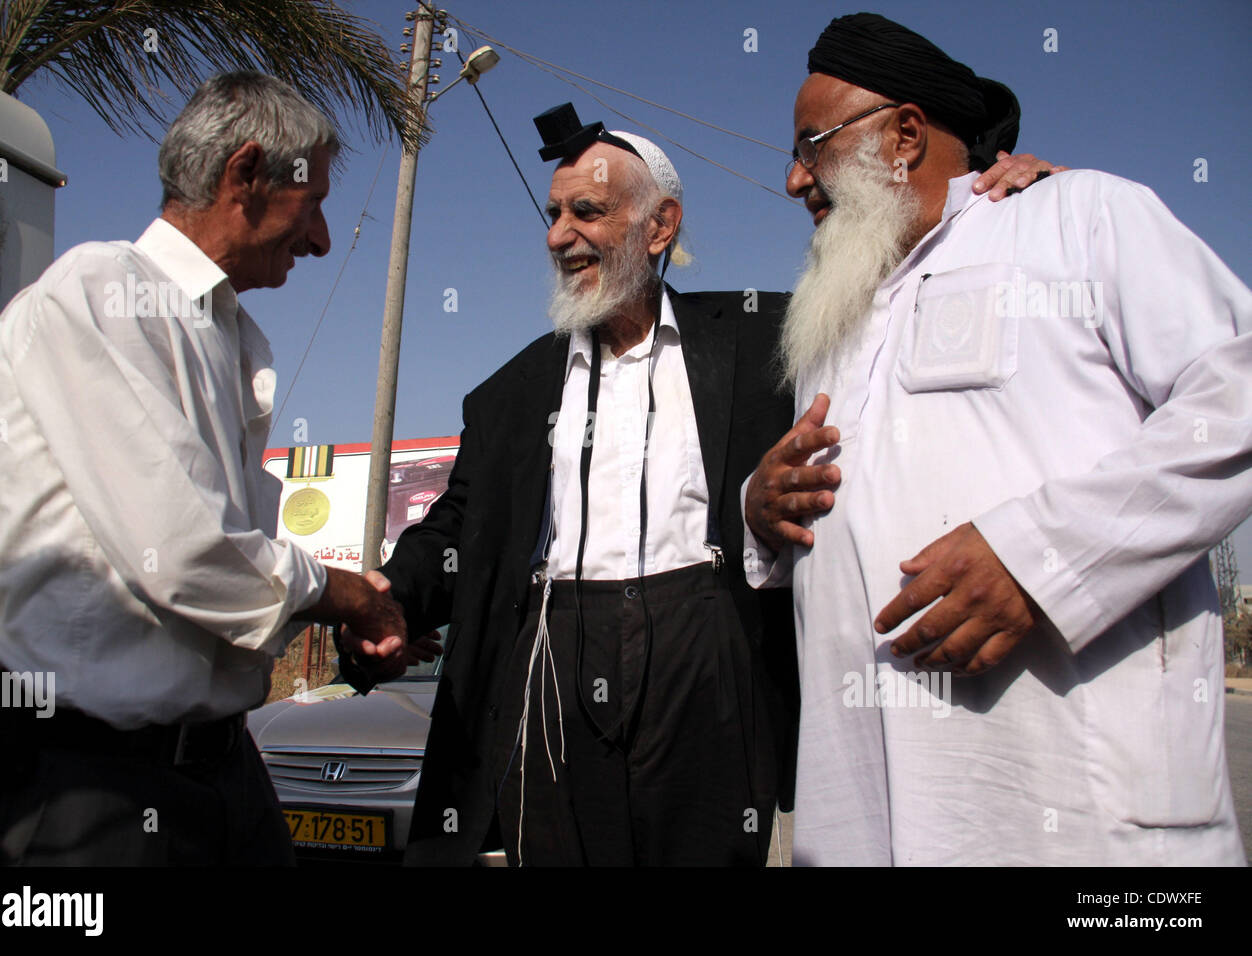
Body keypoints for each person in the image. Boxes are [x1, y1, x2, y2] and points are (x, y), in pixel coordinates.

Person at [364, 103, 1053, 866]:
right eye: (555, 214)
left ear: (659, 228)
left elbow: (900, 279)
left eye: (587, 211)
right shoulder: (511, 393)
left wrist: (991, 193)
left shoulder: (766, 338)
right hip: (554, 658)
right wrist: (388, 595)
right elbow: (457, 527)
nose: (560, 234)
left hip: (710, 659)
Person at [744, 12, 1251, 865]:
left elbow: (1236, 390)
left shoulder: (1078, 216)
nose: (794, 180)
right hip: (861, 815)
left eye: (812, 145)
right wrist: (762, 511)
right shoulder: (831, 317)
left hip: (1074, 817)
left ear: (904, 133)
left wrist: (1042, 559)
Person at [0, 71, 428, 865]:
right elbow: (185, 552)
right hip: (89, 787)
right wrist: (346, 593)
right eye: (312, 205)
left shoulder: (225, 335)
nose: (318, 239)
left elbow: (220, 572)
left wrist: (350, 609)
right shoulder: (101, 294)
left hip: (219, 770)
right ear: (244, 175)